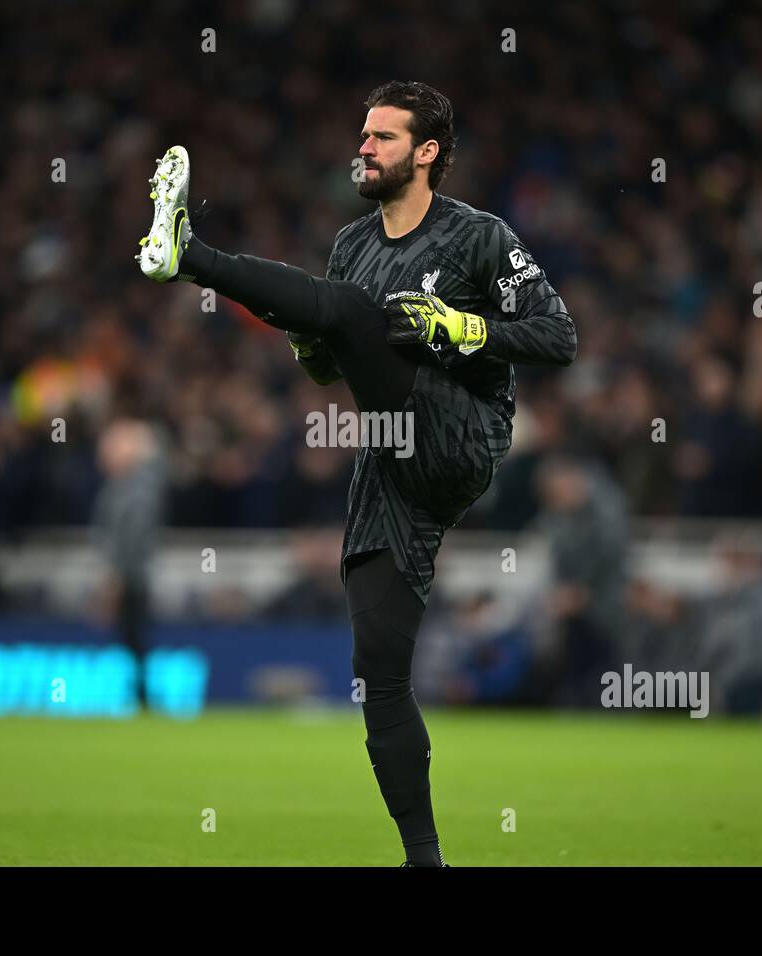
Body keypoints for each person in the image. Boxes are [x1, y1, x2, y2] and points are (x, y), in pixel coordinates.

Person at [136, 80, 576, 866]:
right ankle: (425, 859)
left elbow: (557, 334)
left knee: (339, 307)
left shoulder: (478, 236)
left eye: (382, 136)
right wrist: (315, 348)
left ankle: (188, 255)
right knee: (378, 669)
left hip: (461, 433)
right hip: (390, 458)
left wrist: (463, 325)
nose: (364, 147)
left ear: (428, 152)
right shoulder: (351, 246)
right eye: (363, 134)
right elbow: (330, 359)